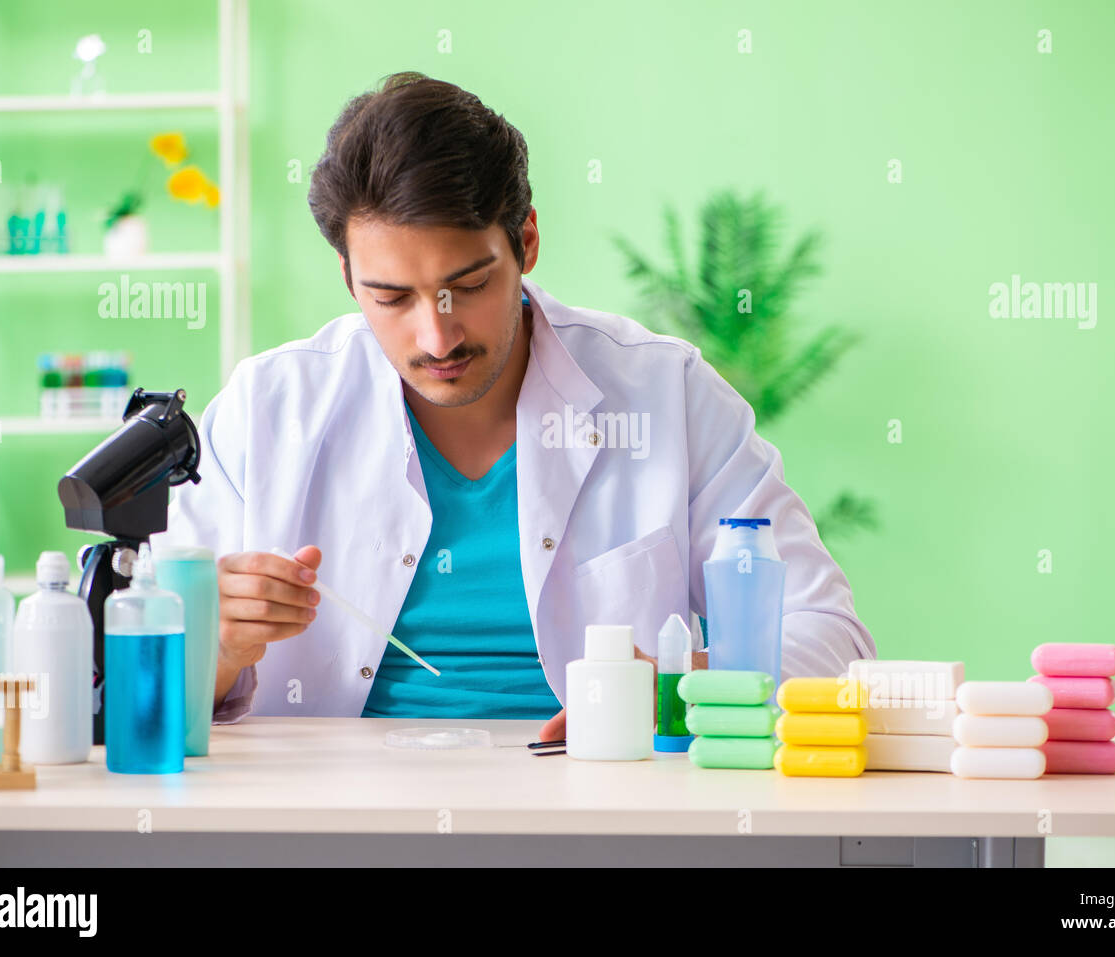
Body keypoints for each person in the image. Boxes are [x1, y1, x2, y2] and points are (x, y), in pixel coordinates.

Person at [152, 71, 875, 741]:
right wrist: (217, 647)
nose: (436, 335)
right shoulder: (267, 410)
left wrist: (682, 688)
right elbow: (146, 688)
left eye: (466, 285)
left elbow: (829, 634)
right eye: (392, 297)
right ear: (347, 276)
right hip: (343, 816)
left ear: (525, 240)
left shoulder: (666, 393)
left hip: (596, 807)